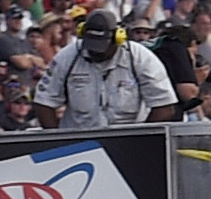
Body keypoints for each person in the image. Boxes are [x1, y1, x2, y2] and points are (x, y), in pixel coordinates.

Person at [33, 9, 179, 129]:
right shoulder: (66, 57)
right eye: (91, 46)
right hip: (79, 142)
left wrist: (140, 140)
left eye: (101, 47)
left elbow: (165, 106)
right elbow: (44, 103)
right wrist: (59, 141)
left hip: (128, 141)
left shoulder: (141, 58)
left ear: (118, 38)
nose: (96, 52)